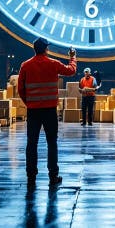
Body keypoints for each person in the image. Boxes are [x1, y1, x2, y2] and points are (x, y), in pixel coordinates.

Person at [18, 37, 77, 187]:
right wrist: (72, 57)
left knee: (32, 143)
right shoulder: (53, 64)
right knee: (52, 142)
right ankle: (53, 175)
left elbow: (21, 89)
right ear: (46, 49)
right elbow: (71, 71)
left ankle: (31, 176)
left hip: (33, 111)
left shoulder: (25, 65)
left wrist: (29, 103)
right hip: (50, 110)